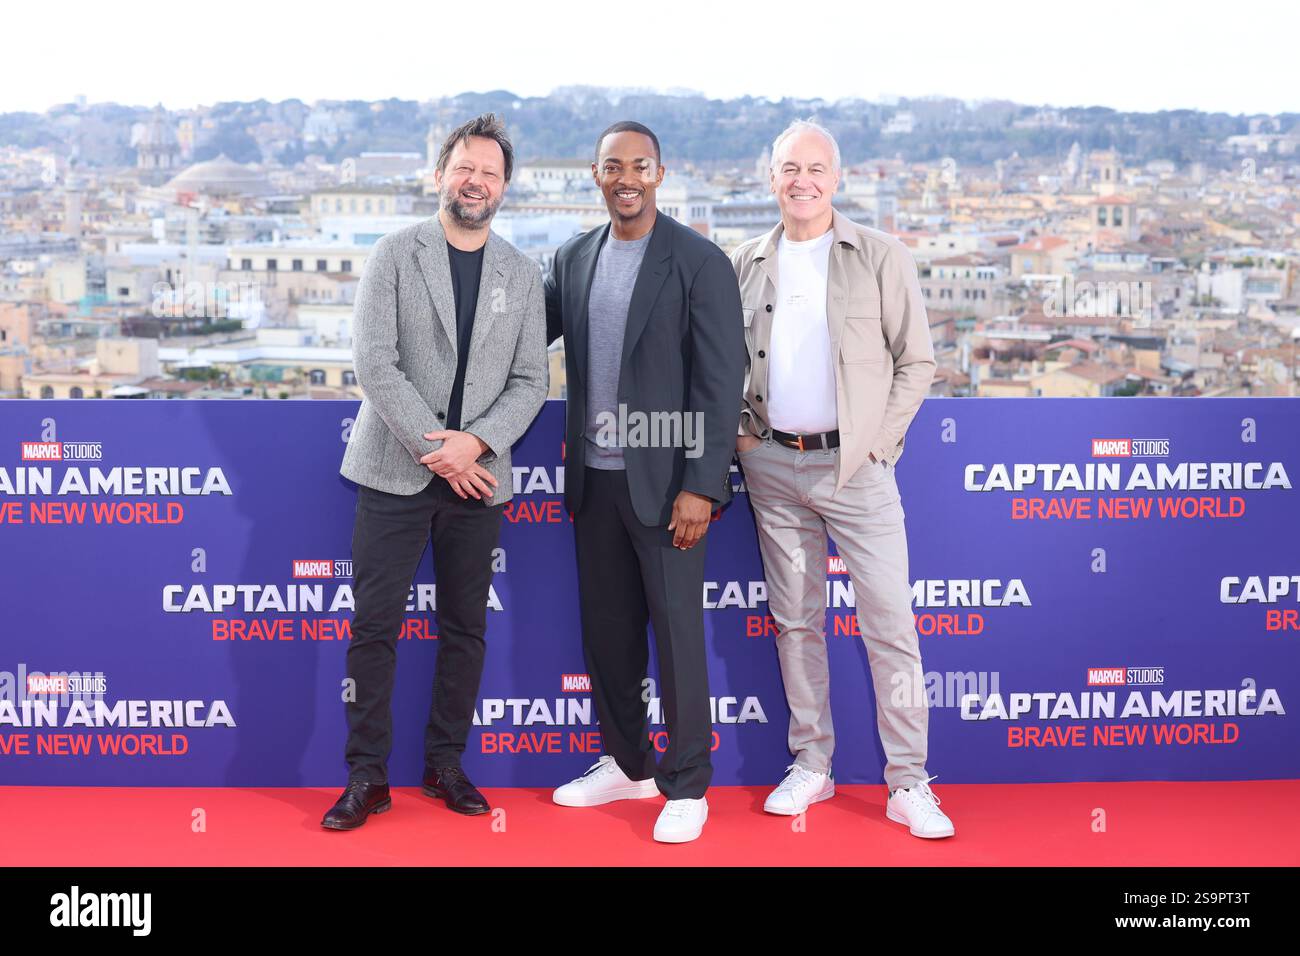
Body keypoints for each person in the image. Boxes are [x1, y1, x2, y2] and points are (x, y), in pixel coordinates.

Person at [321, 113, 548, 830]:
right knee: (374, 629)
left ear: (504, 186)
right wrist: (438, 448)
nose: (475, 181)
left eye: (489, 171)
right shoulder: (394, 253)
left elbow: (530, 381)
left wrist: (474, 444)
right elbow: (374, 363)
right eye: (464, 167)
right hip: (394, 471)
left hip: (476, 479)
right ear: (441, 174)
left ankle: (446, 765)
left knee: (464, 629)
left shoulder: (521, 271)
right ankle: (367, 776)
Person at [730, 120, 953, 838]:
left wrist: (878, 446)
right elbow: (722, 362)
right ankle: (812, 766)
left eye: (816, 168)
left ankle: (910, 782)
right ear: (771, 177)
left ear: (838, 177)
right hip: (771, 468)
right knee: (796, 622)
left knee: (891, 624)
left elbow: (916, 362)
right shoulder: (744, 263)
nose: (803, 180)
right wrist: (741, 432)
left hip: (857, 469)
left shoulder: (881, 256)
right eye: (790, 168)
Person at [543, 121, 746, 844]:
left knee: (679, 640)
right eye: (611, 166)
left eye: (639, 165)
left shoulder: (698, 260)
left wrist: (702, 483)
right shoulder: (572, 258)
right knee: (609, 637)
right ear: (594, 176)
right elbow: (513, 340)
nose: (625, 177)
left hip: (667, 486)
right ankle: (627, 764)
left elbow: (721, 383)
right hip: (593, 484)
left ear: (660, 173)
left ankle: (687, 783)